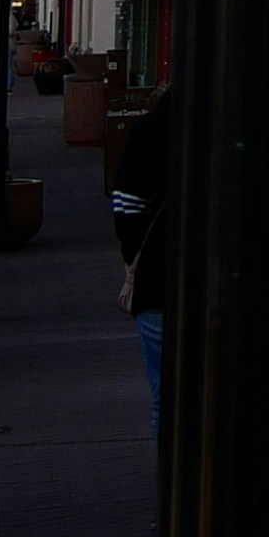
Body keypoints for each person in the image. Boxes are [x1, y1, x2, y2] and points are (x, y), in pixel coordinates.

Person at [107, 79, 170, 433]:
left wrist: (134, 260)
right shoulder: (237, 125)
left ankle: (172, 483)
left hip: (158, 284)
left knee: (165, 394)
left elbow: (127, 212)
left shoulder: (149, 130)